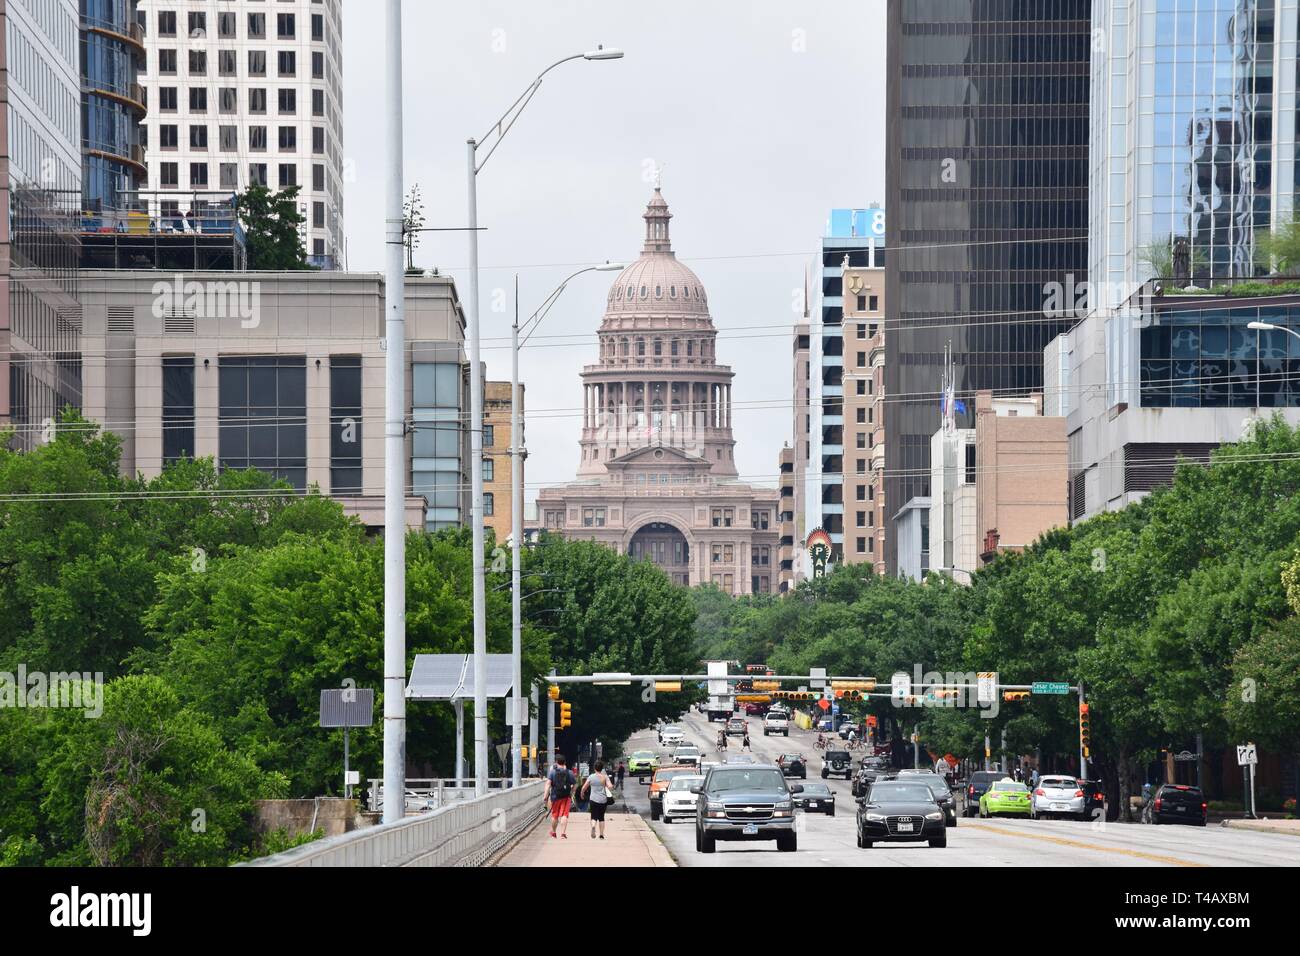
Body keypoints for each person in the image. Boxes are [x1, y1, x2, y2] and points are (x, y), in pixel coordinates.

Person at [545, 753, 575, 839]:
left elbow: (548, 784)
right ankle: (563, 834)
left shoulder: (552, 772)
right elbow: (574, 785)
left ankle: (554, 833)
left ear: (556, 762)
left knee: (555, 815)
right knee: (564, 815)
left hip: (555, 796)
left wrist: (545, 796)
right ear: (564, 762)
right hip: (566, 796)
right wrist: (571, 792)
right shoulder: (570, 772)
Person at [581, 760, 613, 840]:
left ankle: (593, 826)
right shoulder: (605, 777)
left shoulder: (591, 776)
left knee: (594, 816)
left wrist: (582, 793)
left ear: (595, 768)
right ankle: (601, 835)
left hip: (593, 799)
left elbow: (584, 787)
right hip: (603, 800)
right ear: (601, 768)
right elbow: (610, 786)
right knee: (601, 817)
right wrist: (606, 786)